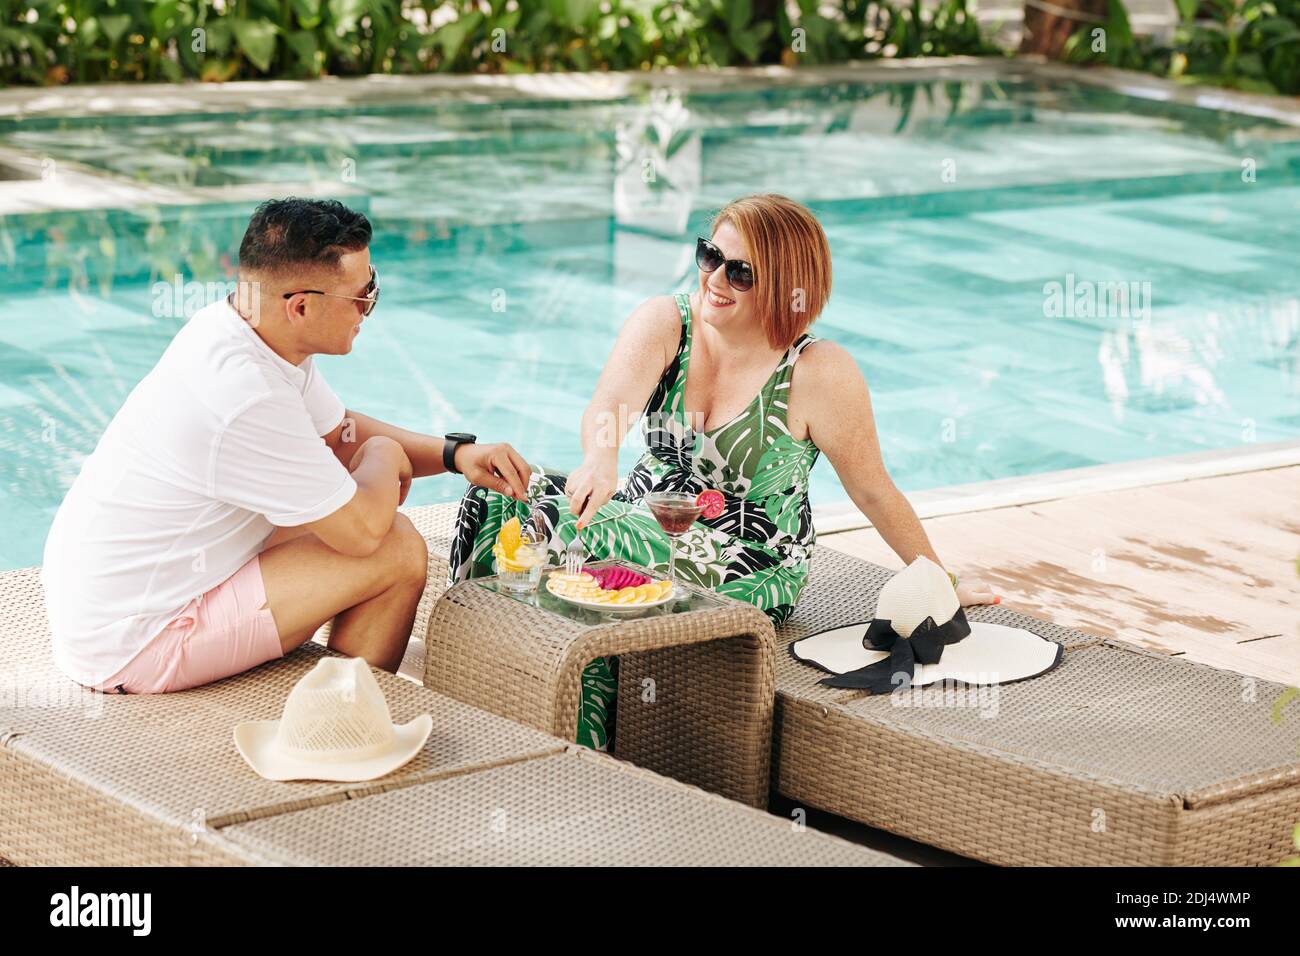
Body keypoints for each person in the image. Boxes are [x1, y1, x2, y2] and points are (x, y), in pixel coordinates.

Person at [451, 192, 998, 750]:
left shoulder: (817, 372)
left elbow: (873, 490)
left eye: (741, 272)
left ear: (789, 288)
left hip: (748, 556)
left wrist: (939, 580)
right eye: (710, 256)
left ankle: (582, 742)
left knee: (585, 534)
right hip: (643, 516)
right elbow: (608, 409)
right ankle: (483, 677)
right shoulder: (668, 322)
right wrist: (601, 457)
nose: (716, 278)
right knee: (501, 494)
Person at [43, 198, 531, 695]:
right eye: (363, 297)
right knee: (396, 549)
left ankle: (338, 697)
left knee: (334, 512)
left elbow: (337, 431)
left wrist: (455, 456)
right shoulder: (245, 393)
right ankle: (340, 724)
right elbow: (360, 535)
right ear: (300, 306)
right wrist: (384, 454)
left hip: (113, 602)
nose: (370, 308)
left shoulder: (241, 331)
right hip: (135, 643)